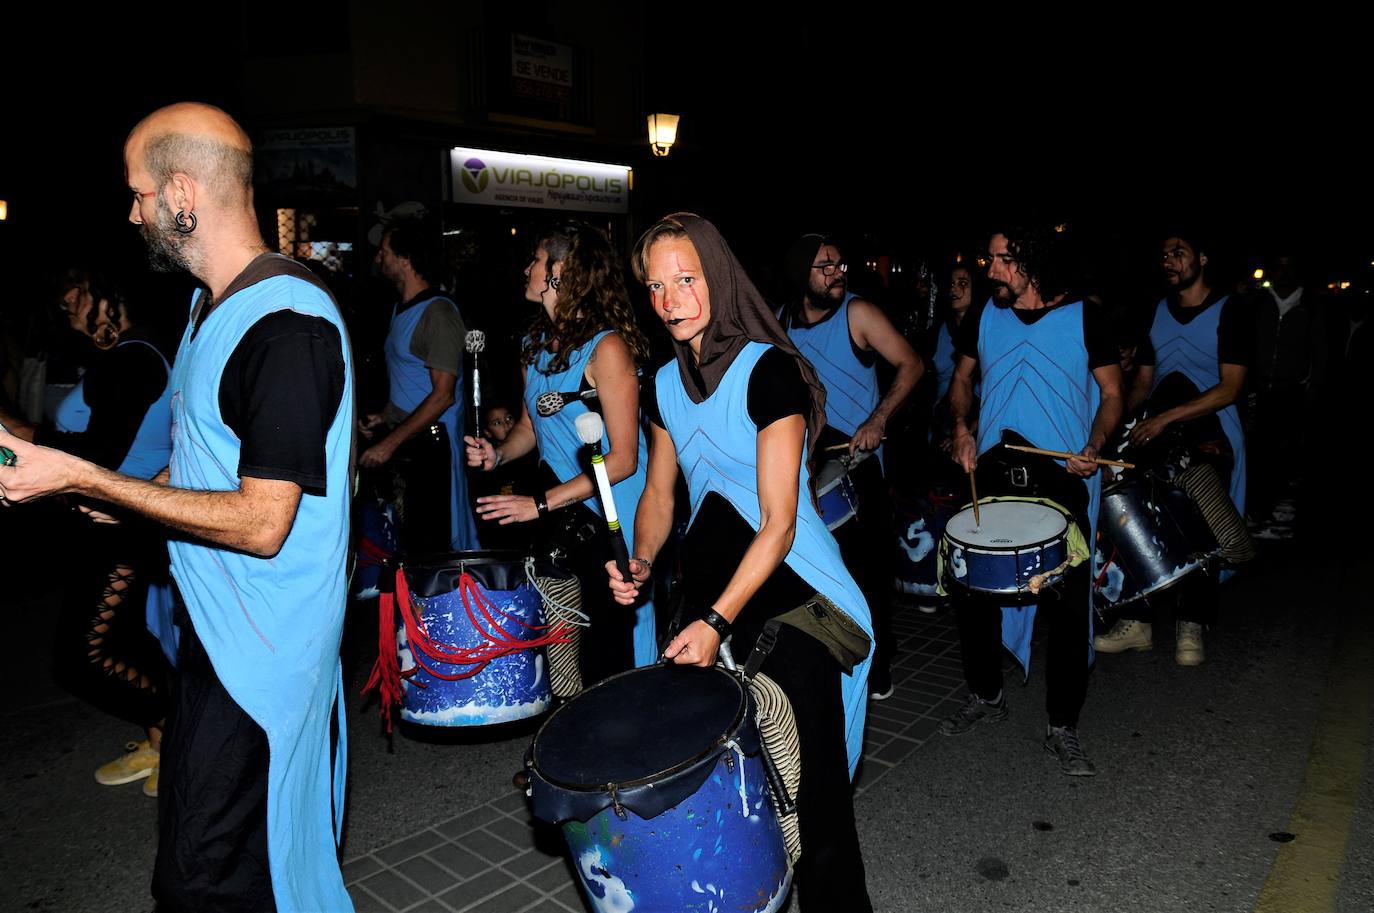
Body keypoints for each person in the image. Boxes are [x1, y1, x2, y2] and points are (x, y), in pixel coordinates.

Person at [0, 102, 354, 912]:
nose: (133, 214)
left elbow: (263, 521)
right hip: (212, 641)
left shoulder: (287, 325)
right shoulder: (207, 306)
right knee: (207, 879)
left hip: (264, 664)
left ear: (183, 194)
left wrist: (88, 479)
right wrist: (136, 502)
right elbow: (206, 458)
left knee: (214, 884)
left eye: (138, 193)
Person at [610, 213, 874, 910]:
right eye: (656, 287)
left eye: (686, 279)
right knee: (725, 785)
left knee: (814, 797)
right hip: (714, 592)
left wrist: (716, 622)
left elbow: (780, 522)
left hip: (797, 593)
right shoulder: (664, 384)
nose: (670, 300)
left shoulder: (769, 372)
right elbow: (660, 495)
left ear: (719, 277)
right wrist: (641, 560)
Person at [941, 226, 1124, 777]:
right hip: (993, 469)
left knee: (1066, 605)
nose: (991, 270)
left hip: (1062, 476)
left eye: (1003, 260)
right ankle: (986, 693)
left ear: (1034, 262)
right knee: (973, 588)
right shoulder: (985, 315)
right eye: (990, 258)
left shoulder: (1085, 317)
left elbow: (1112, 394)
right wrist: (962, 428)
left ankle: (1062, 725)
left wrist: (1094, 445)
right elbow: (962, 379)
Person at [0, 265, 173, 797]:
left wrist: (21, 432)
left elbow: (100, 453)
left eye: (73, 294)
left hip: (123, 524)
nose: (66, 306)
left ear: (105, 292)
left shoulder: (134, 357)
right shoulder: (123, 356)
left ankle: (185, 729)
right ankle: (165, 743)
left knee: (82, 660)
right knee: (127, 641)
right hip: (105, 523)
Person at [465, 220, 656, 681]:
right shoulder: (533, 345)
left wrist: (538, 504)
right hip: (564, 507)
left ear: (562, 271)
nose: (526, 268)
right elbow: (530, 426)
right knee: (570, 639)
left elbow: (625, 458)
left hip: (611, 506)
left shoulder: (607, 348)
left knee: (614, 640)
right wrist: (497, 454)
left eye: (535, 260)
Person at [1094, 231, 1250, 665]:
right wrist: (1109, 424)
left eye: (1178, 253)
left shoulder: (1231, 310)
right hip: (1157, 433)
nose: (1169, 261)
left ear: (1203, 257)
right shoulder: (1157, 310)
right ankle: (1137, 621)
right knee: (1134, 513)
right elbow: (1144, 383)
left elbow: (1231, 388)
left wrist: (1165, 418)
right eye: (1164, 255)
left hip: (1210, 433)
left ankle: (1192, 624)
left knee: (1199, 519)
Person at [778, 234, 922, 700]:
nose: (837, 273)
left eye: (840, 265)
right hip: (807, 467)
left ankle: (878, 666)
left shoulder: (857, 313)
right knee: (814, 573)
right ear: (800, 273)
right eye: (825, 267)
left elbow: (912, 364)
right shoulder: (780, 321)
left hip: (857, 466)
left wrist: (878, 419)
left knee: (868, 574)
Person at [360, 217, 480, 553]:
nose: (378, 258)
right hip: (412, 442)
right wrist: (385, 416)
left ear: (405, 259)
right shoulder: (402, 309)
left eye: (384, 251)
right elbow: (411, 380)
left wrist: (388, 444)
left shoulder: (438, 313)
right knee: (410, 541)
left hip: (434, 446)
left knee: (435, 543)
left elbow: (442, 395)